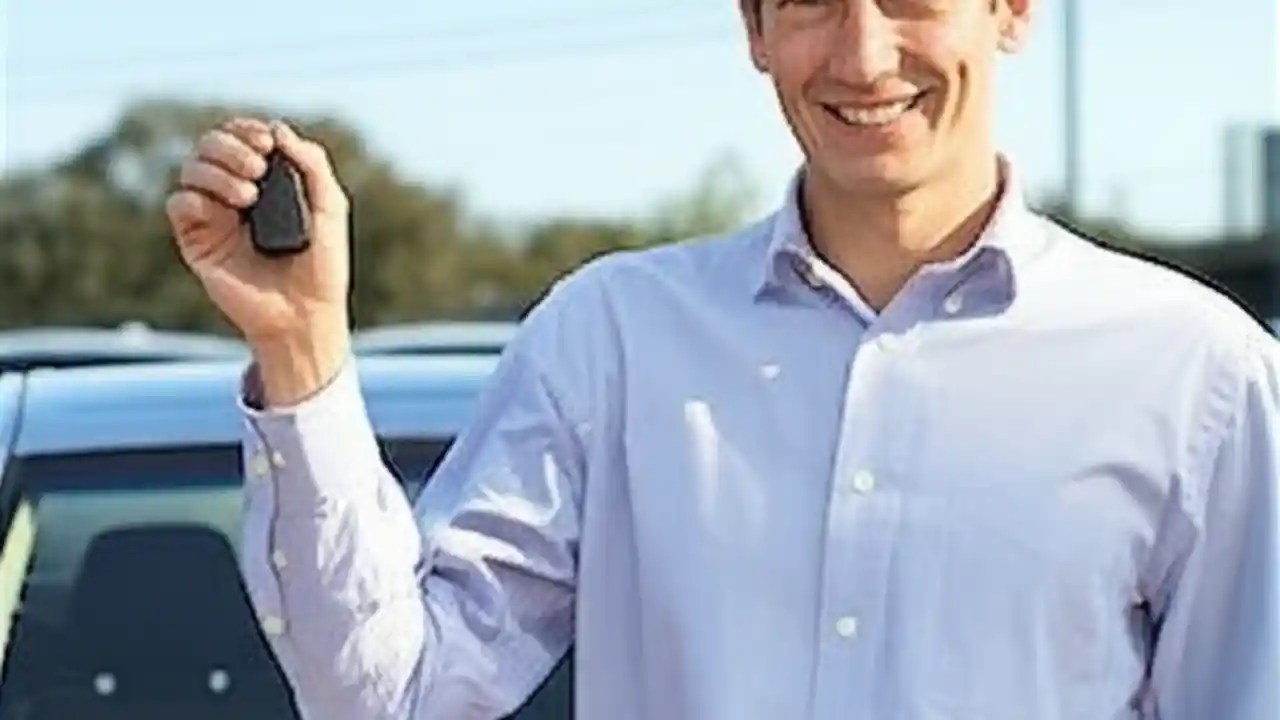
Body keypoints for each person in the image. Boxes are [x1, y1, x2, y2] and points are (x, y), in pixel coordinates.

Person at [165, 0, 1279, 718]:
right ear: (753, 29)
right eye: (809, 4)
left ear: (1010, 11)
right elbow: (391, 698)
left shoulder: (1197, 378)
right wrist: (300, 346)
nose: (861, 52)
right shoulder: (607, 340)